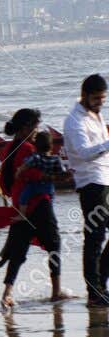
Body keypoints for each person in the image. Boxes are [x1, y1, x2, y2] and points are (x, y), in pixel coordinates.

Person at [0, 110, 70, 310]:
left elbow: (5, 180)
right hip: (40, 205)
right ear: (25, 128)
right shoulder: (28, 149)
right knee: (54, 244)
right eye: (35, 126)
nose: (37, 130)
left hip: (20, 206)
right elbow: (35, 175)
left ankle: (7, 294)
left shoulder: (8, 148)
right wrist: (60, 178)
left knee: (18, 252)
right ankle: (56, 292)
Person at [63, 73, 109, 307]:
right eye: (97, 98)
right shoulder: (75, 121)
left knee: (98, 236)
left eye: (103, 98)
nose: (101, 102)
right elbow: (84, 152)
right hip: (90, 184)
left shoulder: (96, 116)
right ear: (85, 95)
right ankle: (94, 292)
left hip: (105, 180)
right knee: (95, 237)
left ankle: (100, 284)